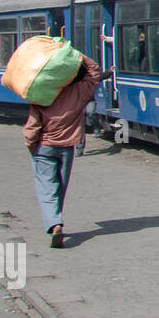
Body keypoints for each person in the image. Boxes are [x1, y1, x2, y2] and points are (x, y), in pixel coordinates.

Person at [24, 55, 104, 248]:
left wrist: (30, 144)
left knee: (46, 188)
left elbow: (33, 126)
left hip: (45, 146)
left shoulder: (41, 93)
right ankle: (55, 220)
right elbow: (95, 73)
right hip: (67, 148)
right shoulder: (79, 92)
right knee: (60, 186)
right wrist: (77, 55)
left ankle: (54, 223)